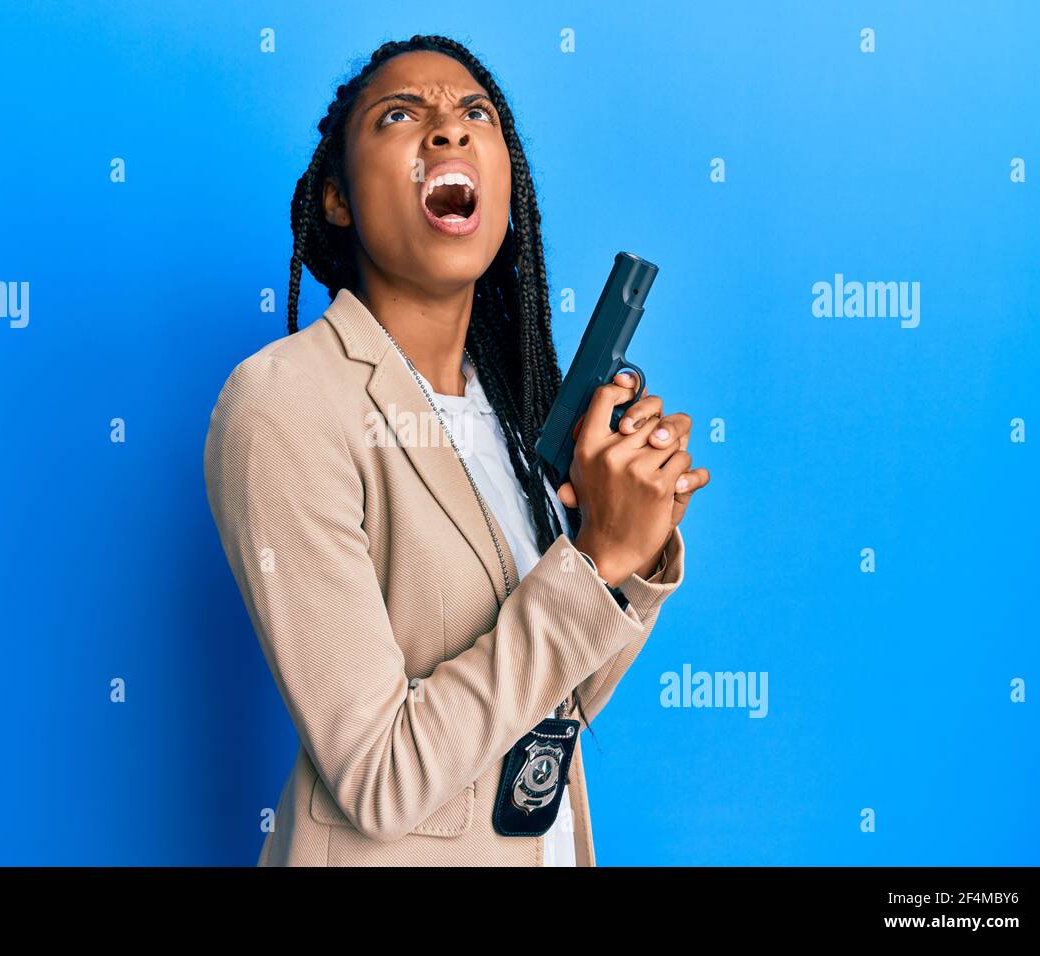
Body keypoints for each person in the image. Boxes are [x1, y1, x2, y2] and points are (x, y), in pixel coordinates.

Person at [204, 34, 709, 866]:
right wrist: (591, 563)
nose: (449, 130)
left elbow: (553, 707)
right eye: (400, 116)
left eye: (475, 113)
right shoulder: (284, 401)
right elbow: (378, 778)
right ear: (336, 199)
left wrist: (628, 551)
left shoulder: (516, 419)